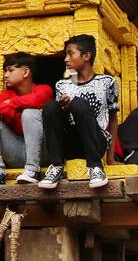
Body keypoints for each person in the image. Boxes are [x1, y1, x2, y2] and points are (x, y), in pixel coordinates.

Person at [38, 35, 118, 191]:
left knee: (79, 103)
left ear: (86, 56)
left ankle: (95, 167)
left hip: (96, 142)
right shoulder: (62, 85)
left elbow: (113, 119)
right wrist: (65, 108)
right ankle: (56, 165)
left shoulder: (107, 82)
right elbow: (58, 118)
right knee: (50, 106)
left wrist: (111, 158)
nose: (66, 59)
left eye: (70, 54)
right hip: (70, 144)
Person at [0, 52, 51, 185]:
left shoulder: (43, 89)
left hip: (42, 154)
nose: (6, 75)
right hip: (16, 152)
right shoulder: (7, 94)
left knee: (29, 113)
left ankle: (33, 170)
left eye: (11, 70)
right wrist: (13, 113)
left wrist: (11, 104)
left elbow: (38, 99)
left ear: (26, 72)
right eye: (5, 71)